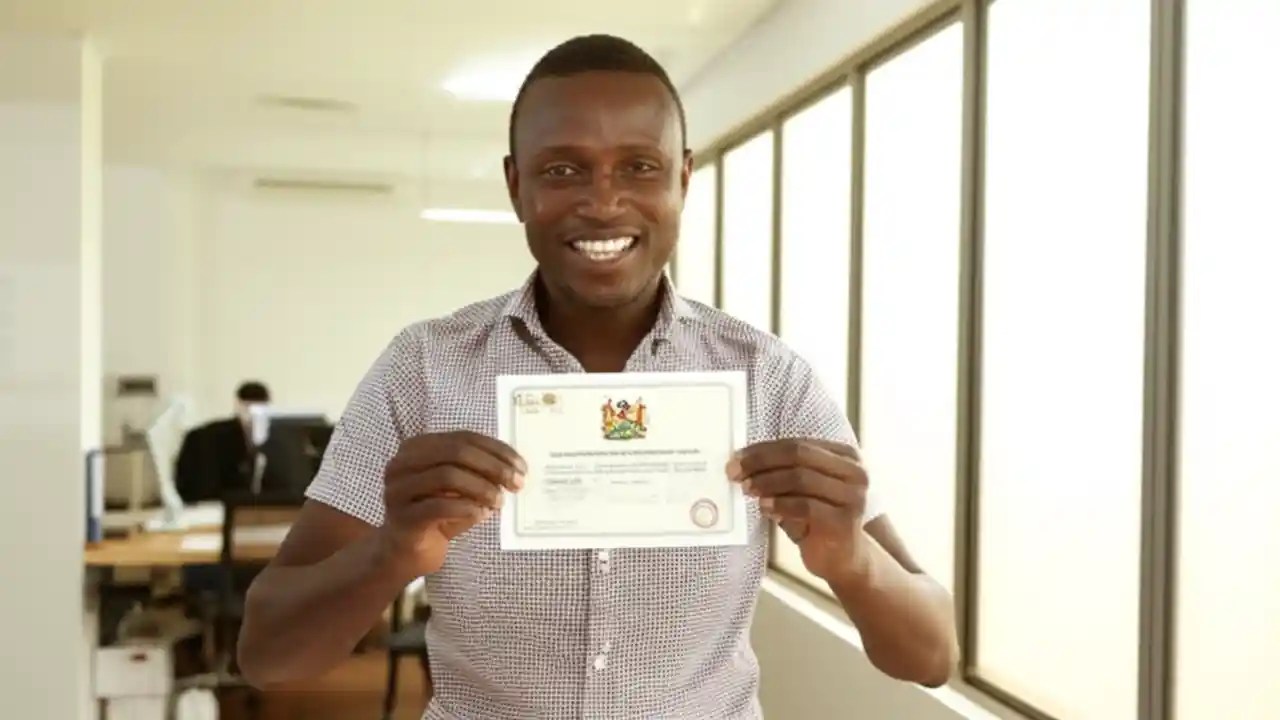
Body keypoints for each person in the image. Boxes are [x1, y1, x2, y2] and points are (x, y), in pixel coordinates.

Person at [237, 34, 958, 718]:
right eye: (562, 169)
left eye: (640, 166)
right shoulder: (424, 370)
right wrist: (391, 553)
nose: (603, 200)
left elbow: (931, 655)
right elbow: (268, 656)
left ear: (682, 178)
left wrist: (852, 559)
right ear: (517, 187)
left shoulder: (768, 378)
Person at [175, 381, 271, 502]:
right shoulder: (207, 437)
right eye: (248, 407)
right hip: (217, 502)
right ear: (238, 406)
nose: (253, 414)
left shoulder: (275, 438)